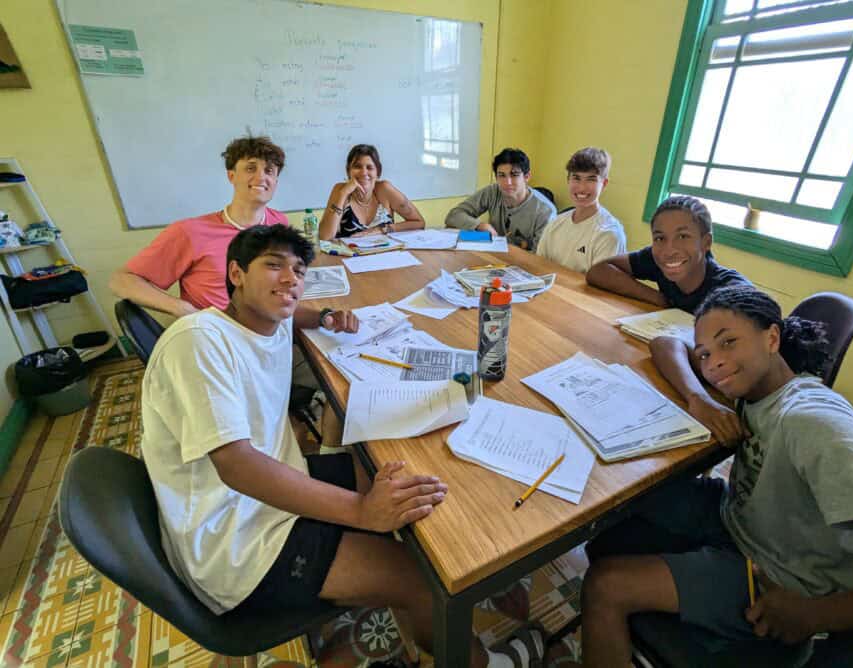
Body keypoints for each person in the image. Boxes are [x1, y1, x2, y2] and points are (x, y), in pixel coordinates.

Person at [140, 223, 546, 668]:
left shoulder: (265, 320)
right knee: (423, 580)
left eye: (298, 271)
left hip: (272, 487)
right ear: (235, 274)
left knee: (393, 472)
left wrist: (327, 315)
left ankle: (398, 568)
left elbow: (296, 315)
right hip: (235, 540)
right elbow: (237, 466)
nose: (290, 280)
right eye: (273, 266)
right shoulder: (199, 340)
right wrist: (361, 512)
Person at [580, 285, 853, 667]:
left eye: (729, 343)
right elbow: (665, 344)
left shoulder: (815, 423)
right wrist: (699, 397)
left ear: (772, 337)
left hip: (785, 577)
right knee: (623, 495)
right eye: (706, 353)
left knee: (605, 586)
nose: (714, 363)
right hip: (740, 516)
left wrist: (814, 614)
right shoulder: (755, 385)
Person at [109, 135, 356, 334]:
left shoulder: (277, 222)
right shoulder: (190, 232)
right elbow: (122, 280)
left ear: (276, 181)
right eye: (251, 168)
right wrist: (181, 308)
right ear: (231, 176)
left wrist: (322, 316)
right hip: (223, 340)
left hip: (272, 330)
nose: (261, 177)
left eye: (269, 171)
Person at [586, 195, 751, 445]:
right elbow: (598, 271)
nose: (669, 249)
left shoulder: (728, 292)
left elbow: (741, 363)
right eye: (659, 238)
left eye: (683, 236)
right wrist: (657, 298)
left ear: (705, 243)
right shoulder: (658, 260)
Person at [445, 148, 556, 251]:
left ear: (527, 176)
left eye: (514, 175)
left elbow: (539, 257)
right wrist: (480, 226)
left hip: (521, 263)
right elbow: (453, 215)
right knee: (454, 236)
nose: (507, 182)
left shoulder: (545, 211)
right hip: (493, 255)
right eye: (502, 175)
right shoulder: (492, 191)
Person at [536, 147, 626, 272]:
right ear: (568, 180)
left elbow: (600, 287)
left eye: (591, 179)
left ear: (604, 184)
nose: (582, 188)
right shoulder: (556, 223)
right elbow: (540, 266)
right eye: (576, 178)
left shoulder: (609, 234)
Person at [318, 144, 425, 240]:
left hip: (387, 256)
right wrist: (343, 194)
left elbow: (419, 223)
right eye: (357, 167)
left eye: (369, 167)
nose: (364, 173)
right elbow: (325, 237)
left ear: (377, 172)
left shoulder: (384, 189)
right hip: (350, 259)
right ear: (348, 171)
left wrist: (383, 229)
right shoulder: (340, 190)